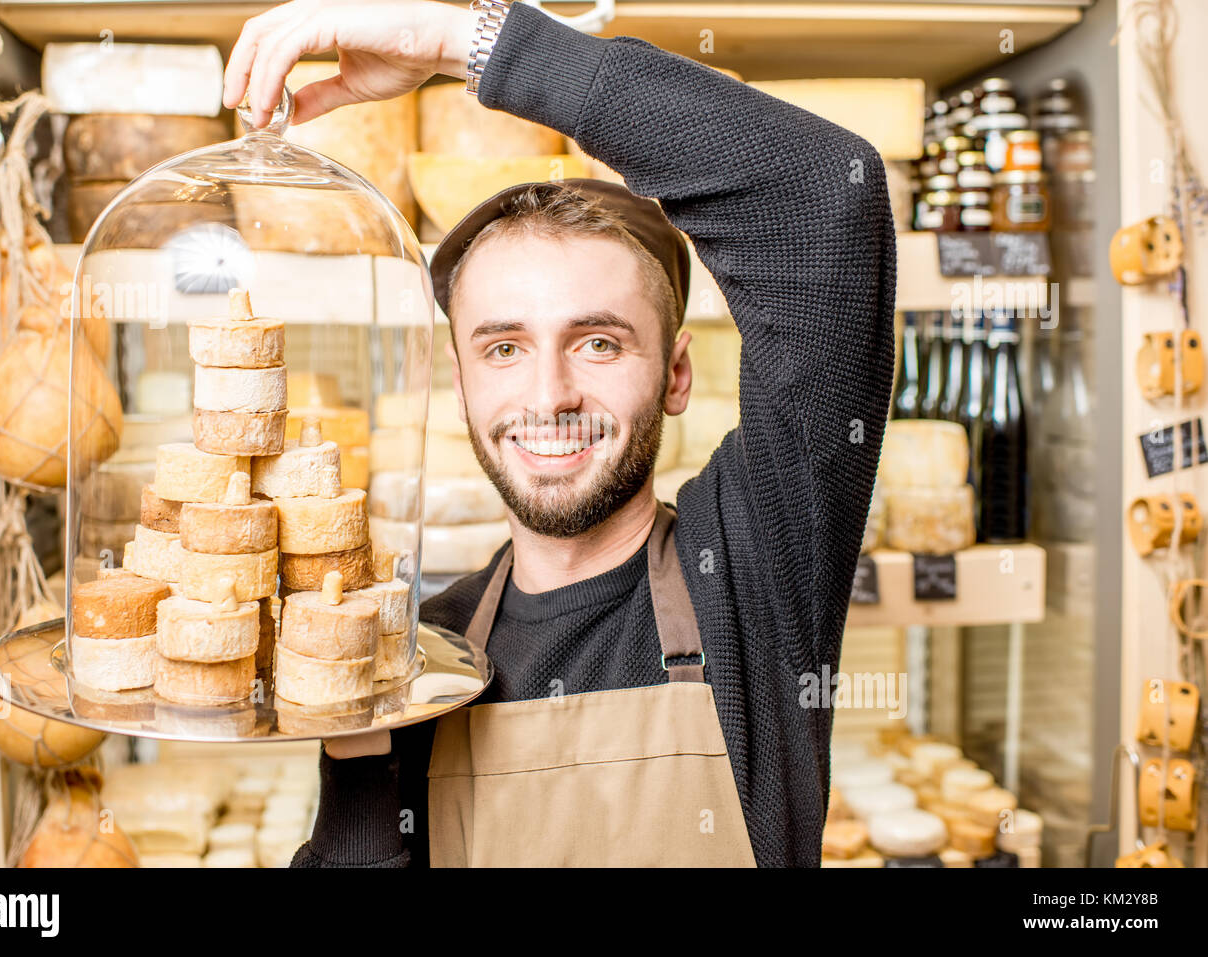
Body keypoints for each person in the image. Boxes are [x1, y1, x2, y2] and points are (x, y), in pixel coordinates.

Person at [224, 0, 896, 867]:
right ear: (462, 382)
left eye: (599, 341)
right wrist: (360, 748)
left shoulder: (752, 570)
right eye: (504, 347)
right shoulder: (419, 650)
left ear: (677, 373)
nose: (550, 393)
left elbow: (822, 192)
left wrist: (457, 44)